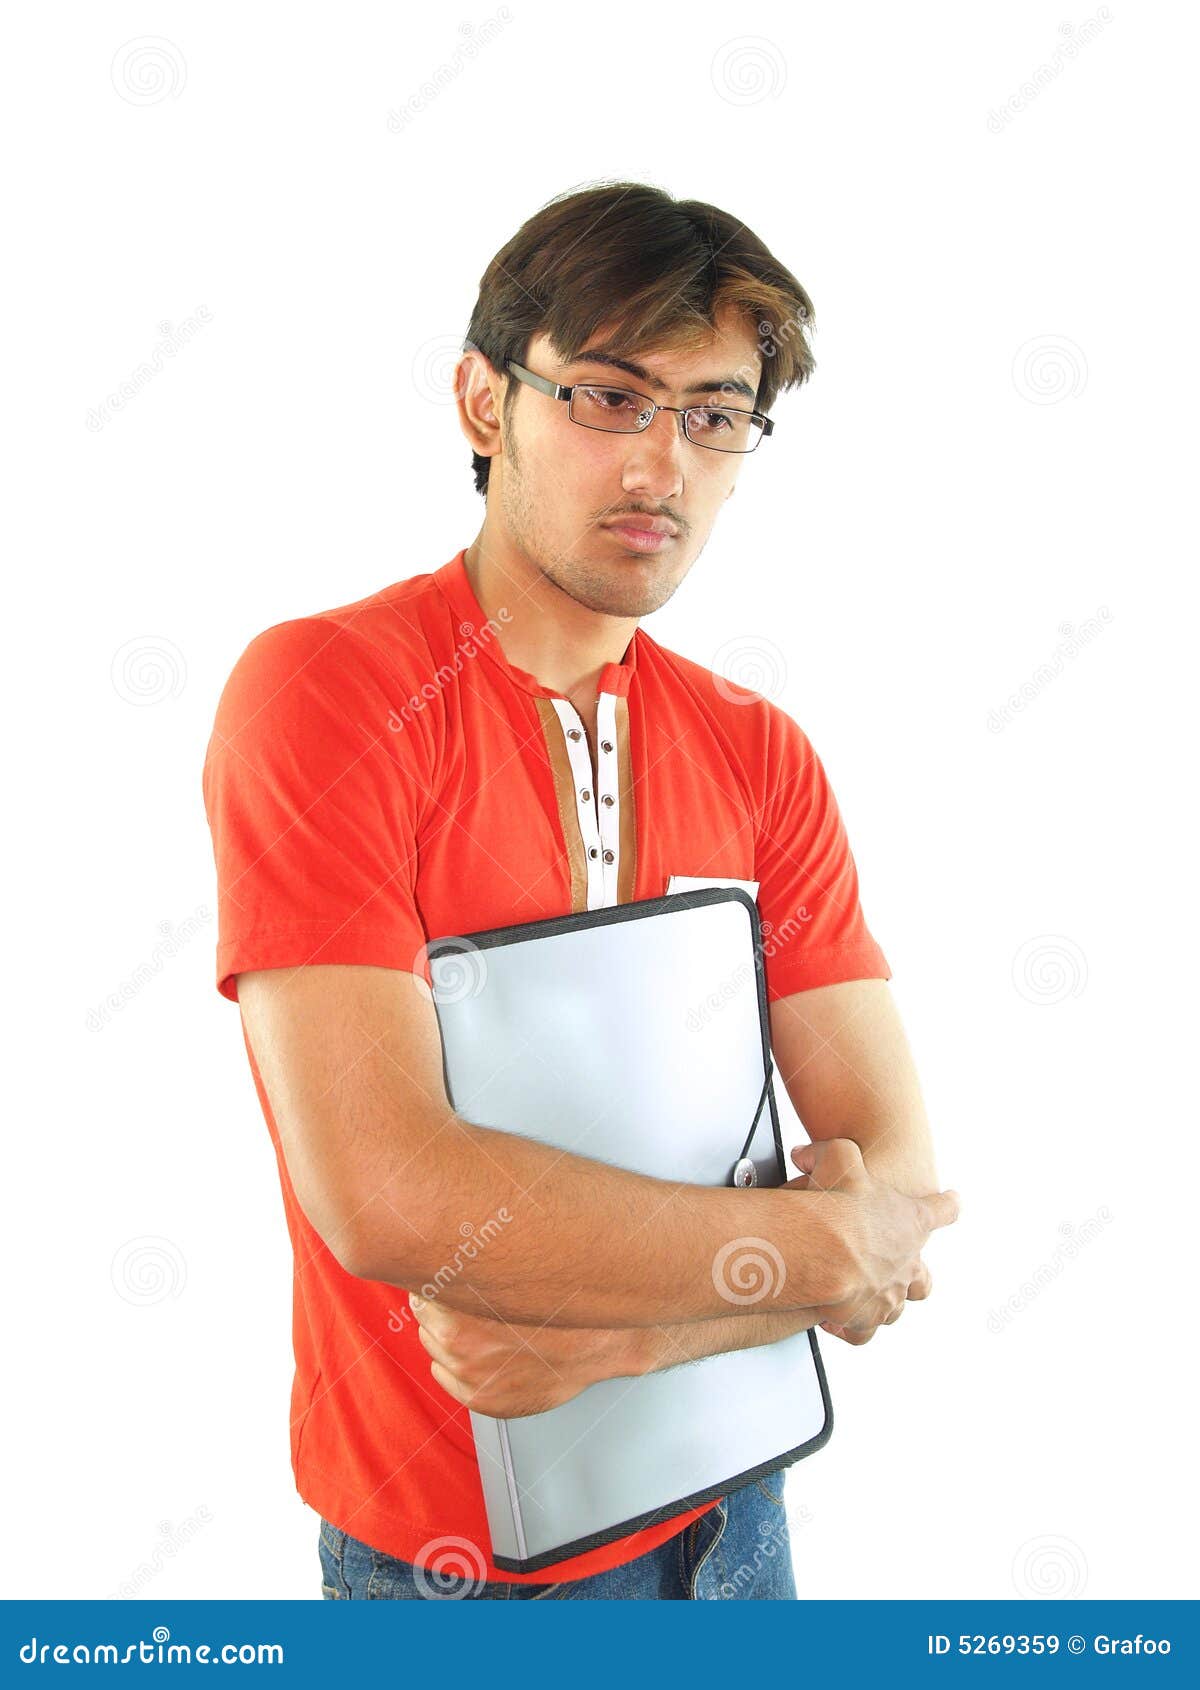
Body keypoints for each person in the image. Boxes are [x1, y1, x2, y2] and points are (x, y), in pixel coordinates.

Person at [201, 180, 960, 1601]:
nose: (663, 465)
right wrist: (816, 1255)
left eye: (714, 414)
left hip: (739, 1527)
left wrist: (620, 1337)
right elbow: (392, 1193)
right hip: (458, 1574)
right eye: (611, 397)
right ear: (485, 403)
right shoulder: (329, 697)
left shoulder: (757, 750)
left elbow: (902, 1182)